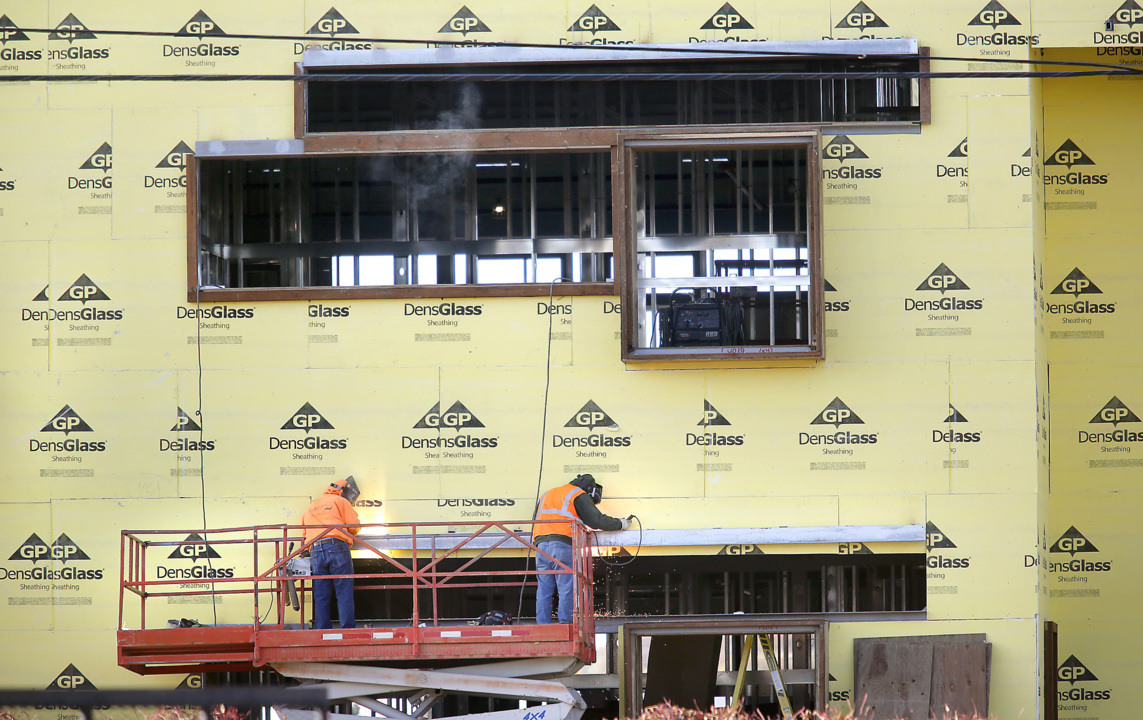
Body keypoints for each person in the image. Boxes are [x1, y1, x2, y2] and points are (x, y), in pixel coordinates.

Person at [533, 473, 631, 624]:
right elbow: (596, 520)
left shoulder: (548, 493)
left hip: (540, 546)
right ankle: (566, 625)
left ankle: (542, 625)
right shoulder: (577, 493)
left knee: (544, 589)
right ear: (589, 489)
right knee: (566, 588)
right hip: (562, 544)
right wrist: (621, 524)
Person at [302, 478, 360, 629]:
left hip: (315, 549)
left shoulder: (312, 506)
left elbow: (305, 532)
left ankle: (322, 629)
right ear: (343, 491)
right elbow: (353, 526)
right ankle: (347, 628)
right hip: (336, 546)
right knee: (343, 589)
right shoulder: (341, 501)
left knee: (321, 593)